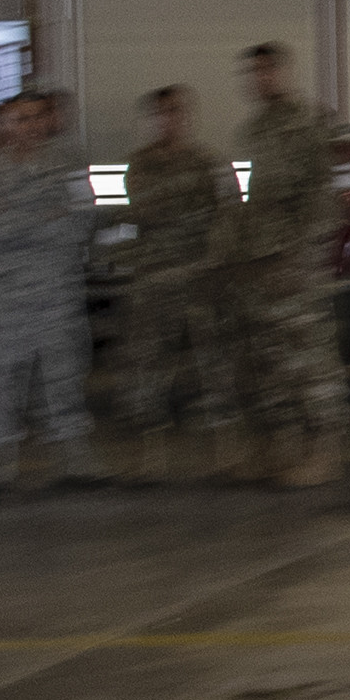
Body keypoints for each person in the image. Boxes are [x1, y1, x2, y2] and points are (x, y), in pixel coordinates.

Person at [0, 92, 101, 496]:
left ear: (48, 121)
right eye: (18, 119)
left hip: (54, 292)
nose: (28, 127)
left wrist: (9, 219)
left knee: (63, 375)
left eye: (35, 118)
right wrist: (41, 218)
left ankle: (75, 461)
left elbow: (84, 222)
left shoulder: (69, 169)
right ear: (3, 124)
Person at [232, 42, 350, 486]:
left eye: (266, 71)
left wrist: (300, 256)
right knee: (269, 356)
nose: (258, 80)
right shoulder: (257, 128)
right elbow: (257, 200)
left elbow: (326, 198)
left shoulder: (310, 123)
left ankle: (325, 451)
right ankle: (281, 447)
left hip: (297, 262)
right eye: (252, 73)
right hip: (263, 260)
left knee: (310, 354)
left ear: (283, 71)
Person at [120, 85, 238, 479]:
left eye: (175, 112)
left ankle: (226, 452)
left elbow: (228, 214)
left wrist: (212, 259)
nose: (169, 119)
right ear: (151, 120)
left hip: (200, 277)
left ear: (187, 116)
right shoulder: (139, 164)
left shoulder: (209, 162)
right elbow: (143, 208)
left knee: (213, 363)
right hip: (154, 279)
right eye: (161, 113)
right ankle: (152, 456)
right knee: (149, 366)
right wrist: (190, 212)